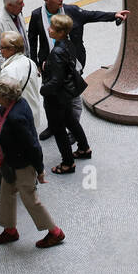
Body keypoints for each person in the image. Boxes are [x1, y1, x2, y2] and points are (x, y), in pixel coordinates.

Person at [28, 0, 128, 139]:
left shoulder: (71, 11)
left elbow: (92, 15)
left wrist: (113, 15)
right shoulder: (36, 15)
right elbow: (32, 40)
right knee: (49, 99)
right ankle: (53, 126)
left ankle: (74, 129)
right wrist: (35, 63)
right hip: (48, 64)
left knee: (72, 97)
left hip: (73, 63)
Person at [0, 79, 64, 249]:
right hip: (10, 162)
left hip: (22, 164)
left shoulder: (16, 117)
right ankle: (10, 230)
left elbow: (32, 145)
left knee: (30, 199)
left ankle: (55, 232)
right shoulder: (11, 105)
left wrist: (40, 169)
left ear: (4, 96)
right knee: (6, 194)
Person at [0, 30, 41, 202]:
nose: (0, 51)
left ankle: (5, 190)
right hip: (32, 112)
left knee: (7, 153)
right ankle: (31, 181)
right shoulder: (29, 62)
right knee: (29, 147)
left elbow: (3, 99)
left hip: (14, 118)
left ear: (13, 49)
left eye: (3, 48)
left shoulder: (9, 71)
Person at [40, 14, 90, 174]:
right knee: (72, 122)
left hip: (55, 98)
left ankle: (67, 163)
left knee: (59, 130)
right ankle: (84, 148)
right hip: (67, 94)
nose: (49, 29)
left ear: (60, 32)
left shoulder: (56, 52)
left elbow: (56, 80)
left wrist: (43, 89)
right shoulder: (69, 44)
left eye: (52, 28)